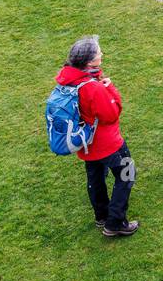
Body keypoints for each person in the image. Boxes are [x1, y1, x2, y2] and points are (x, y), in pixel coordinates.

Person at [56, 35, 139, 237]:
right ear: (90, 61)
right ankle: (115, 222)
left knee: (95, 176)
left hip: (86, 144)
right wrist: (109, 88)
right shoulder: (93, 88)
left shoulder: (69, 79)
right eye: (99, 51)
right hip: (107, 143)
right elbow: (111, 114)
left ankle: (101, 216)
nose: (102, 53)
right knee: (127, 173)